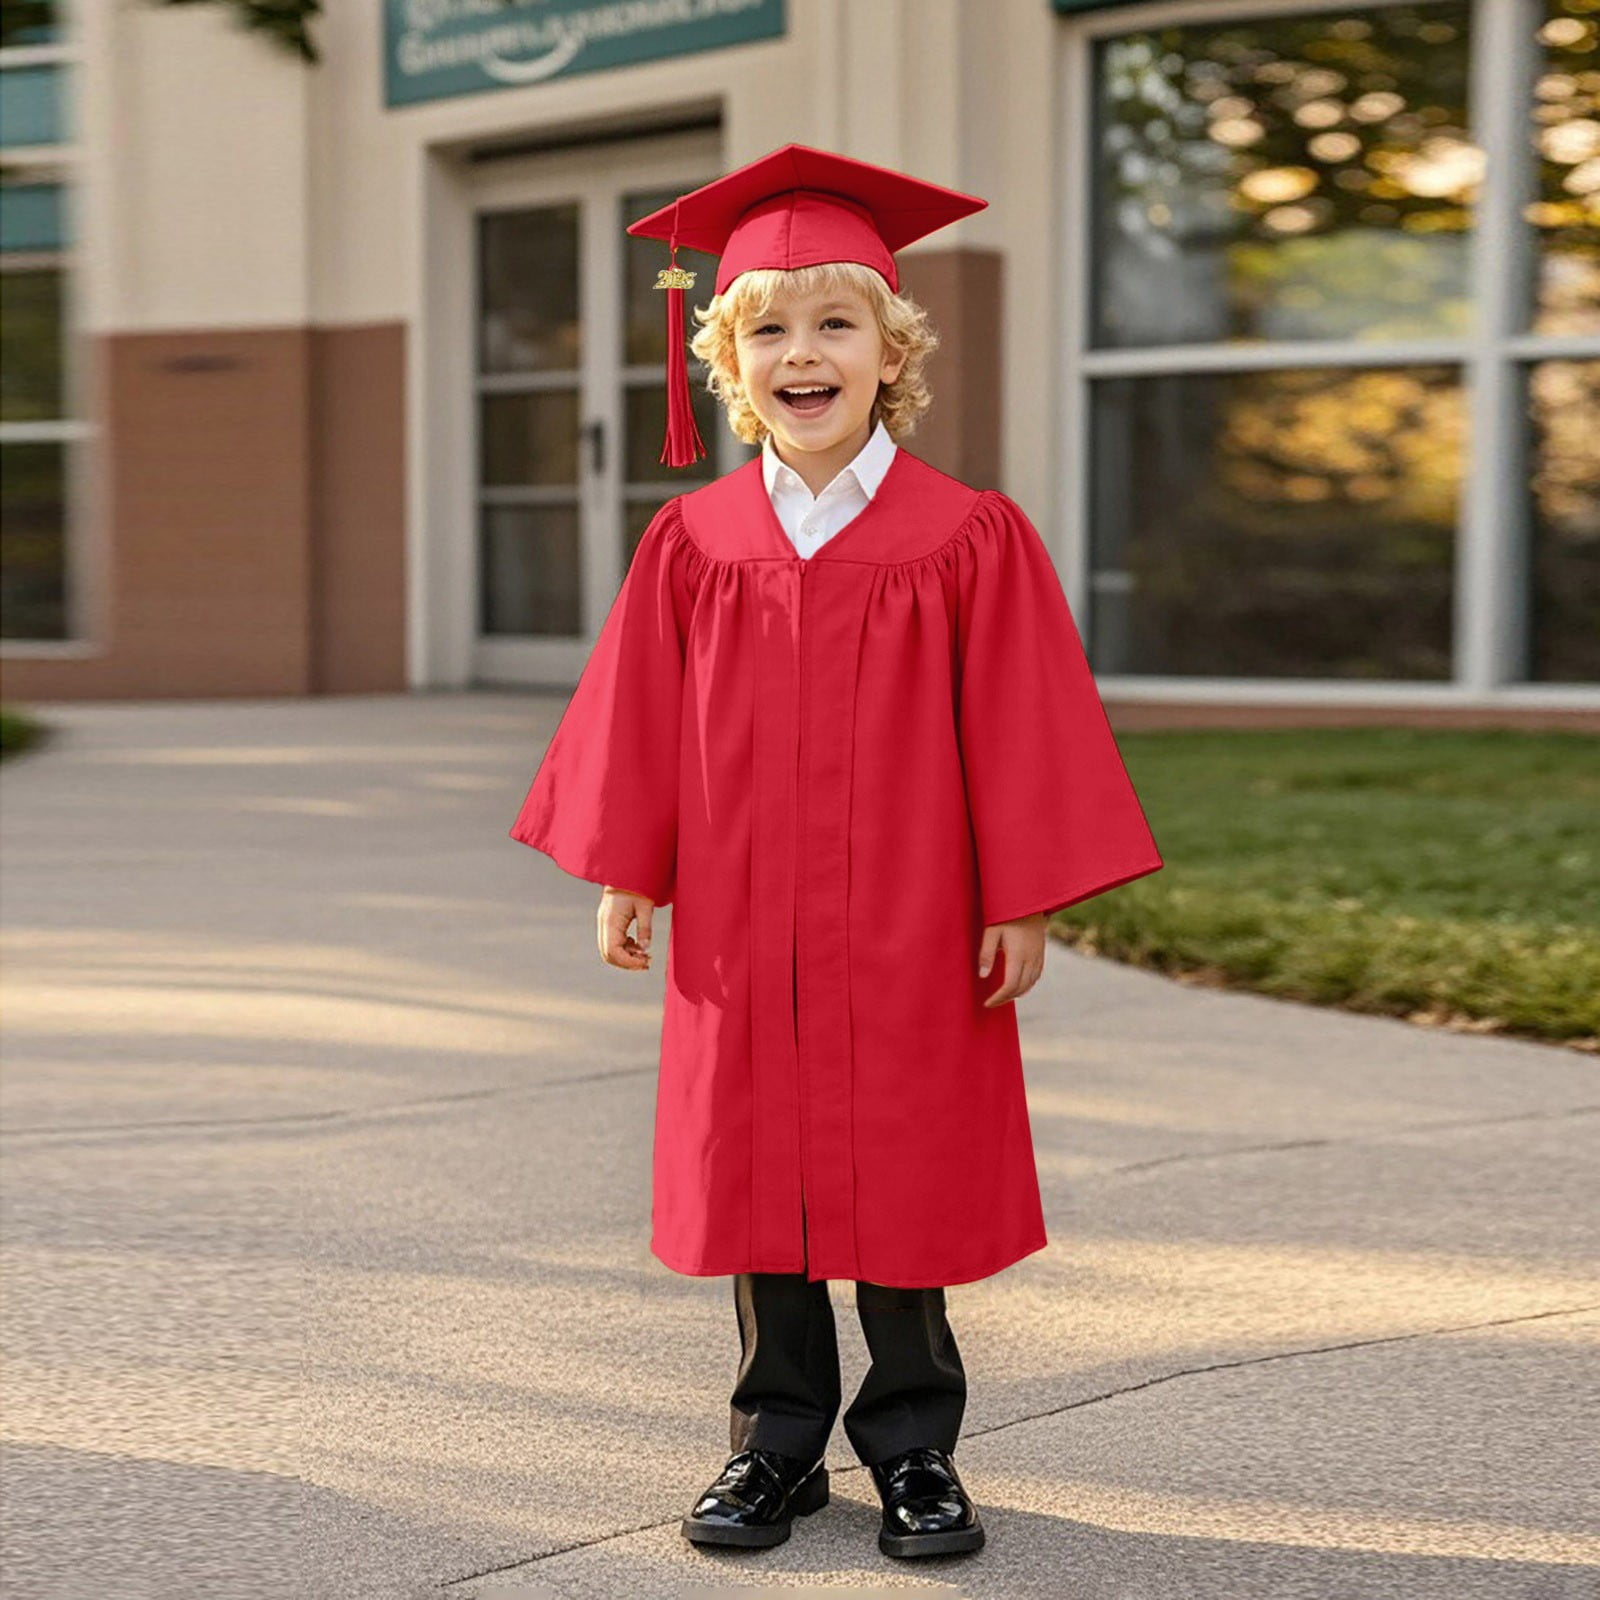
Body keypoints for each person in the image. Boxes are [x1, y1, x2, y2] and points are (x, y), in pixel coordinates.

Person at [508, 143, 1164, 1561]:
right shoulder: (693, 541)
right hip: (746, 925)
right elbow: (639, 719)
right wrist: (634, 866)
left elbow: (1021, 722)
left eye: (834, 323)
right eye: (768, 328)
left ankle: (916, 1450)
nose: (801, 353)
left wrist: (1021, 895)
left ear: (890, 350)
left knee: (906, 1178)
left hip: (915, 915)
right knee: (760, 1176)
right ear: (729, 363)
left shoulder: (967, 537)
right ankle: (775, 1448)